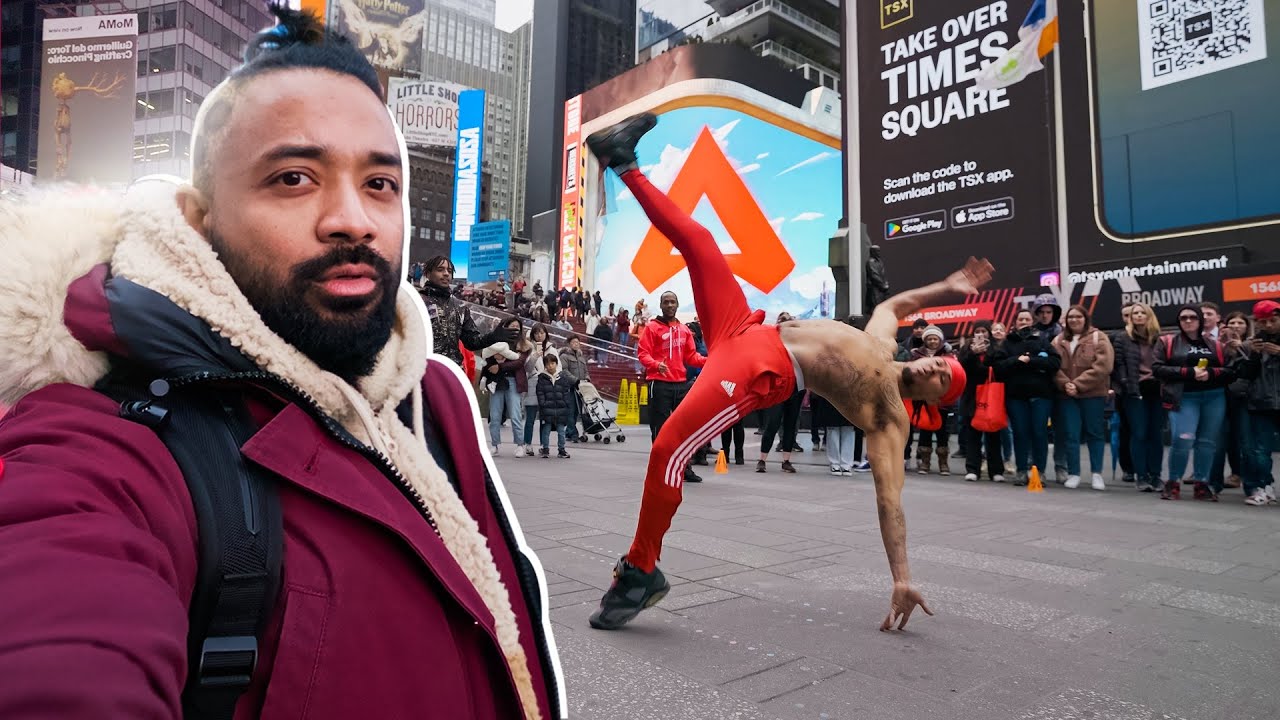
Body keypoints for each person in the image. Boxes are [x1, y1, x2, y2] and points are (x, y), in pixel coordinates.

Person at [0, 8, 560, 718]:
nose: (353, 218)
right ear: (201, 219)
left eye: (380, 183)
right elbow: (57, 617)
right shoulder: (109, 437)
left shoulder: (432, 397)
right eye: (295, 177)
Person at [581, 112, 987, 633]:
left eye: (944, 373)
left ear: (936, 397)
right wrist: (949, 285)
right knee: (701, 243)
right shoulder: (884, 343)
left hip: (759, 369)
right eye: (940, 357)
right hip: (747, 330)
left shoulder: (889, 419)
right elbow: (901, 301)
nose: (936, 361)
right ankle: (624, 161)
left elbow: (891, 502)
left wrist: (901, 575)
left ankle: (639, 572)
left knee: (667, 449)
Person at [1154, 305, 1232, 501]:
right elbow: (1156, 368)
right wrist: (1188, 373)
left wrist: (1211, 374)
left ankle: (1202, 483)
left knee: (1207, 442)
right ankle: (1173, 482)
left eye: (1192, 317)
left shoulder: (1215, 344)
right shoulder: (1167, 341)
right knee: (1183, 438)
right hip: (1184, 397)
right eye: (1183, 318)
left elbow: (1231, 371)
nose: (1188, 321)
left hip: (1213, 396)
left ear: (1199, 320)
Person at [637, 290, 707, 484]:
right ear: (661, 305)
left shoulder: (684, 330)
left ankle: (685, 470)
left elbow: (691, 357)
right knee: (659, 431)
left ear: (677, 305)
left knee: (684, 429)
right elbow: (643, 354)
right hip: (658, 385)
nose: (669, 305)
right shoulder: (652, 328)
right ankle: (660, 470)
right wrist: (655, 365)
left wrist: (709, 362)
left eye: (672, 302)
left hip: (681, 385)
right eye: (666, 302)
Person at [992, 308, 1061, 485]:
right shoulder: (1007, 342)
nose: (1024, 322)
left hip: (1041, 395)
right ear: (1015, 322)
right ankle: (1021, 471)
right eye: (1021, 319)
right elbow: (998, 367)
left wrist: (1032, 361)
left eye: (1027, 319)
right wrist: (1017, 361)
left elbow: (1054, 362)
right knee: (1020, 433)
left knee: (1039, 433)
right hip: (1016, 396)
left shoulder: (1043, 340)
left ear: (1032, 321)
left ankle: (1040, 472)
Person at [1052, 305, 1114, 490]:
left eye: (1078, 317)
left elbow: (1103, 366)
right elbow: (1053, 367)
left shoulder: (1099, 337)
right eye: (1070, 317)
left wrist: (1077, 384)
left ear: (1085, 318)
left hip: (1092, 394)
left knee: (1095, 433)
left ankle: (1097, 474)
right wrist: (1066, 385)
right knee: (1071, 434)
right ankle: (1074, 473)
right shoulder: (1057, 341)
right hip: (1067, 396)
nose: (1074, 320)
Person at [420, 255, 516, 366]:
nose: (446, 273)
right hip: (424, 372)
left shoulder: (459, 307)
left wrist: (493, 336)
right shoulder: (416, 301)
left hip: (453, 373)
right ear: (428, 274)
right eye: (440, 270)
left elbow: (472, 342)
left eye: (449, 271)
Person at [1111, 303, 1166, 492]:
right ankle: (1141, 476)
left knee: (1155, 435)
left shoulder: (1160, 338)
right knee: (1139, 433)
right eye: (1136, 313)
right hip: (1134, 390)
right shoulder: (1123, 338)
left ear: (1149, 316)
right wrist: (1126, 383)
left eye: (1143, 313)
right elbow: (1118, 365)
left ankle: (1156, 475)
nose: (1139, 316)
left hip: (1157, 390)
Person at [1236, 300, 1280, 506]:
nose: (1269, 325)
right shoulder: (1251, 344)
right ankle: (1264, 487)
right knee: (1260, 450)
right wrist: (1253, 354)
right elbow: (1244, 375)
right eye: (1263, 322)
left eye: (1273, 320)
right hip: (1261, 403)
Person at [958, 321, 1006, 482]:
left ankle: (996, 471)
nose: (981, 334)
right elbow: (961, 367)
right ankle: (973, 469)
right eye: (977, 331)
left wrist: (982, 364)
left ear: (989, 333)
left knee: (993, 434)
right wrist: (973, 353)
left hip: (991, 395)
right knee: (972, 434)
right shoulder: (967, 349)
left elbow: (999, 368)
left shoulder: (996, 348)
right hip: (971, 396)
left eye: (984, 331)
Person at [1212, 310, 1252, 491]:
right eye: (1232, 323)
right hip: (1221, 396)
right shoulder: (1217, 345)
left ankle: (1244, 478)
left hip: (1244, 399)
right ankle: (1214, 482)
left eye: (1240, 323)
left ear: (1247, 326)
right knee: (1219, 441)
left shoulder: (1253, 344)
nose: (1236, 326)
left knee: (1244, 440)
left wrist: (1241, 347)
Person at [910, 325, 955, 475]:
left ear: (940, 340)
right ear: (925, 340)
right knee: (925, 430)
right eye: (930, 338)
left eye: (935, 338)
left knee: (942, 431)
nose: (933, 341)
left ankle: (943, 464)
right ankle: (925, 463)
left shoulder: (949, 355)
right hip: (923, 399)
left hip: (941, 399)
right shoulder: (917, 355)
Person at [484, 317, 530, 457]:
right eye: (512, 326)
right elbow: (486, 356)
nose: (515, 328)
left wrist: (500, 366)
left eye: (517, 326)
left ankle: (520, 445)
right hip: (496, 381)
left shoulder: (524, 344)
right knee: (495, 415)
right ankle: (495, 445)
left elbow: (519, 362)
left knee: (515, 415)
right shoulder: (497, 340)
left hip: (513, 381)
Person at [521, 324, 558, 455]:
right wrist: (535, 355)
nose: (539, 336)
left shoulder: (552, 350)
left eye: (541, 333)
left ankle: (544, 444)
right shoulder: (529, 349)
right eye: (536, 333)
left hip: (547, 388)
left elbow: (558, 369)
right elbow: (527, 368)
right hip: (533, 386)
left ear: (546, 334)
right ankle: (527, 444)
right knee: (530, 418)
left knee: (545, 419)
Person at [535, 354, 574, 459]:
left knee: (561, 431)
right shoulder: (542, 378)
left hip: (561, 410)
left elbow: (566, 392)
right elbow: (540, 393)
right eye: (548, 364)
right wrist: (543, 404)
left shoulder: (562, 377)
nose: (550, 366)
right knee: (546, 431)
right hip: (547, 410)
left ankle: (561, 450)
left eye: (552, 363)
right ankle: (545, 449)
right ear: (545, 366)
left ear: (556, 364)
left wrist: (566, 403)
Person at [559, 336, 592, 442]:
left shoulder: (581, 357)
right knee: (570, 410)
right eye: (573, 342)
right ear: (569, 344)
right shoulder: (564, 356)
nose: (576, 344)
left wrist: (587, 378)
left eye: (577, 342)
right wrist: (575, 380)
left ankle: (568, 432)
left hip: (581, 388)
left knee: (576, 412)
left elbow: (586, 371)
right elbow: (564, 371)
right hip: (570, 388)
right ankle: (573, 433)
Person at [865, 244, 891, 313]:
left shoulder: (879, 262)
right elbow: (874, 275)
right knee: (877, 307)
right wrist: (882, 285)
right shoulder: (871, 262)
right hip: (875, 289)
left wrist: (886, 283)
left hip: (881, 289)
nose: (879, 253)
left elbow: (883, 274)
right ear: (873, 252)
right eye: (877, 251)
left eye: (879, 251)